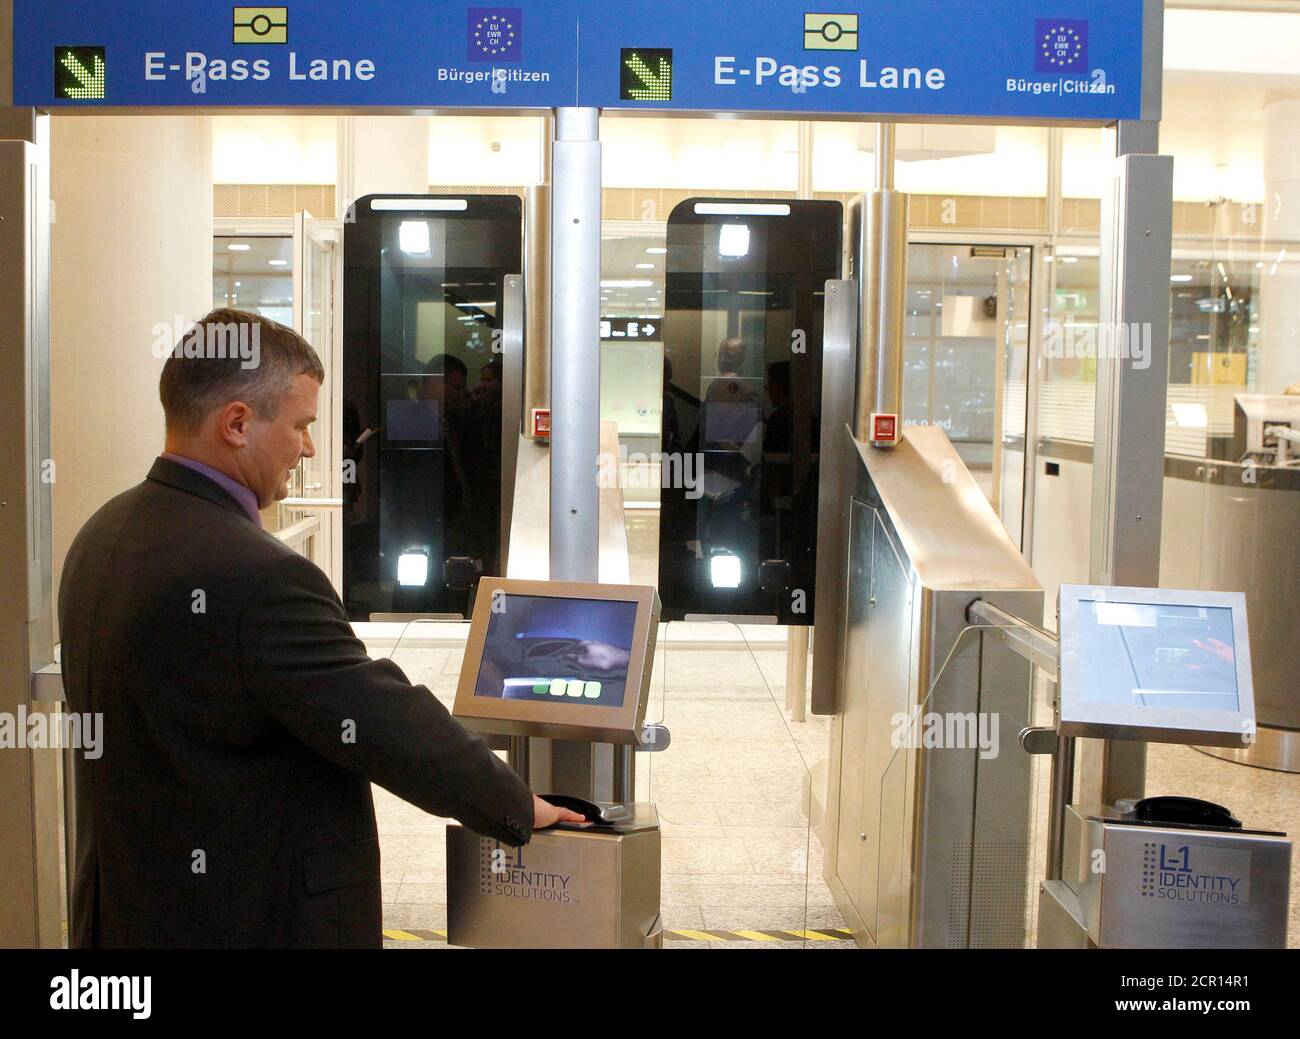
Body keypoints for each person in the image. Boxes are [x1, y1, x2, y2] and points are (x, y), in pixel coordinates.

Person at [57, 308, 584, 949]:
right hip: (249, 919)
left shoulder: (101, 533)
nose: (309, 448)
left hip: (131, 911)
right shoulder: (260, 575)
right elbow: (379, 716)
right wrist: (516, 804)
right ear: (238, 423)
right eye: (302, 426)